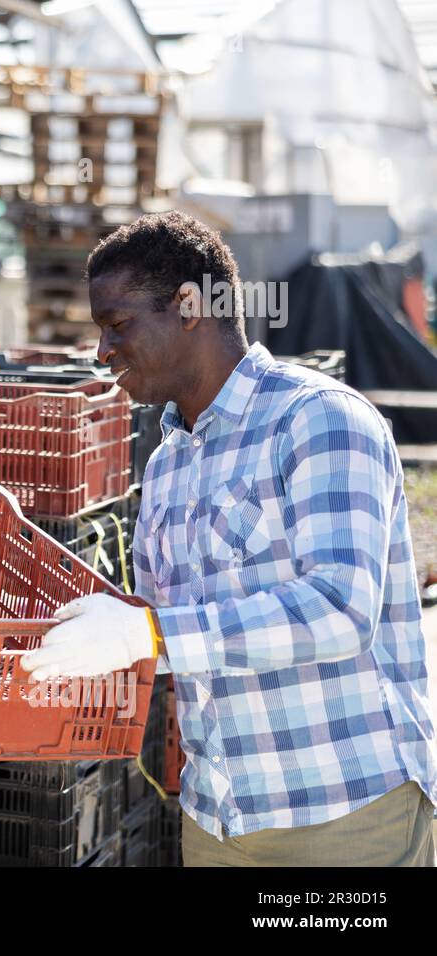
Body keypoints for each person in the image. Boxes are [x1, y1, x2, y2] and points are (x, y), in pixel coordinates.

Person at [21, 211, 437, 867]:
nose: (102, 352)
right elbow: (162, 631)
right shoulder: (165, 463)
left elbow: (338, 611)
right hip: (217, 820)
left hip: (342, 815)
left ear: (190, 306)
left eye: (118, 325)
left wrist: (149, 634)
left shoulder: (319, 420)